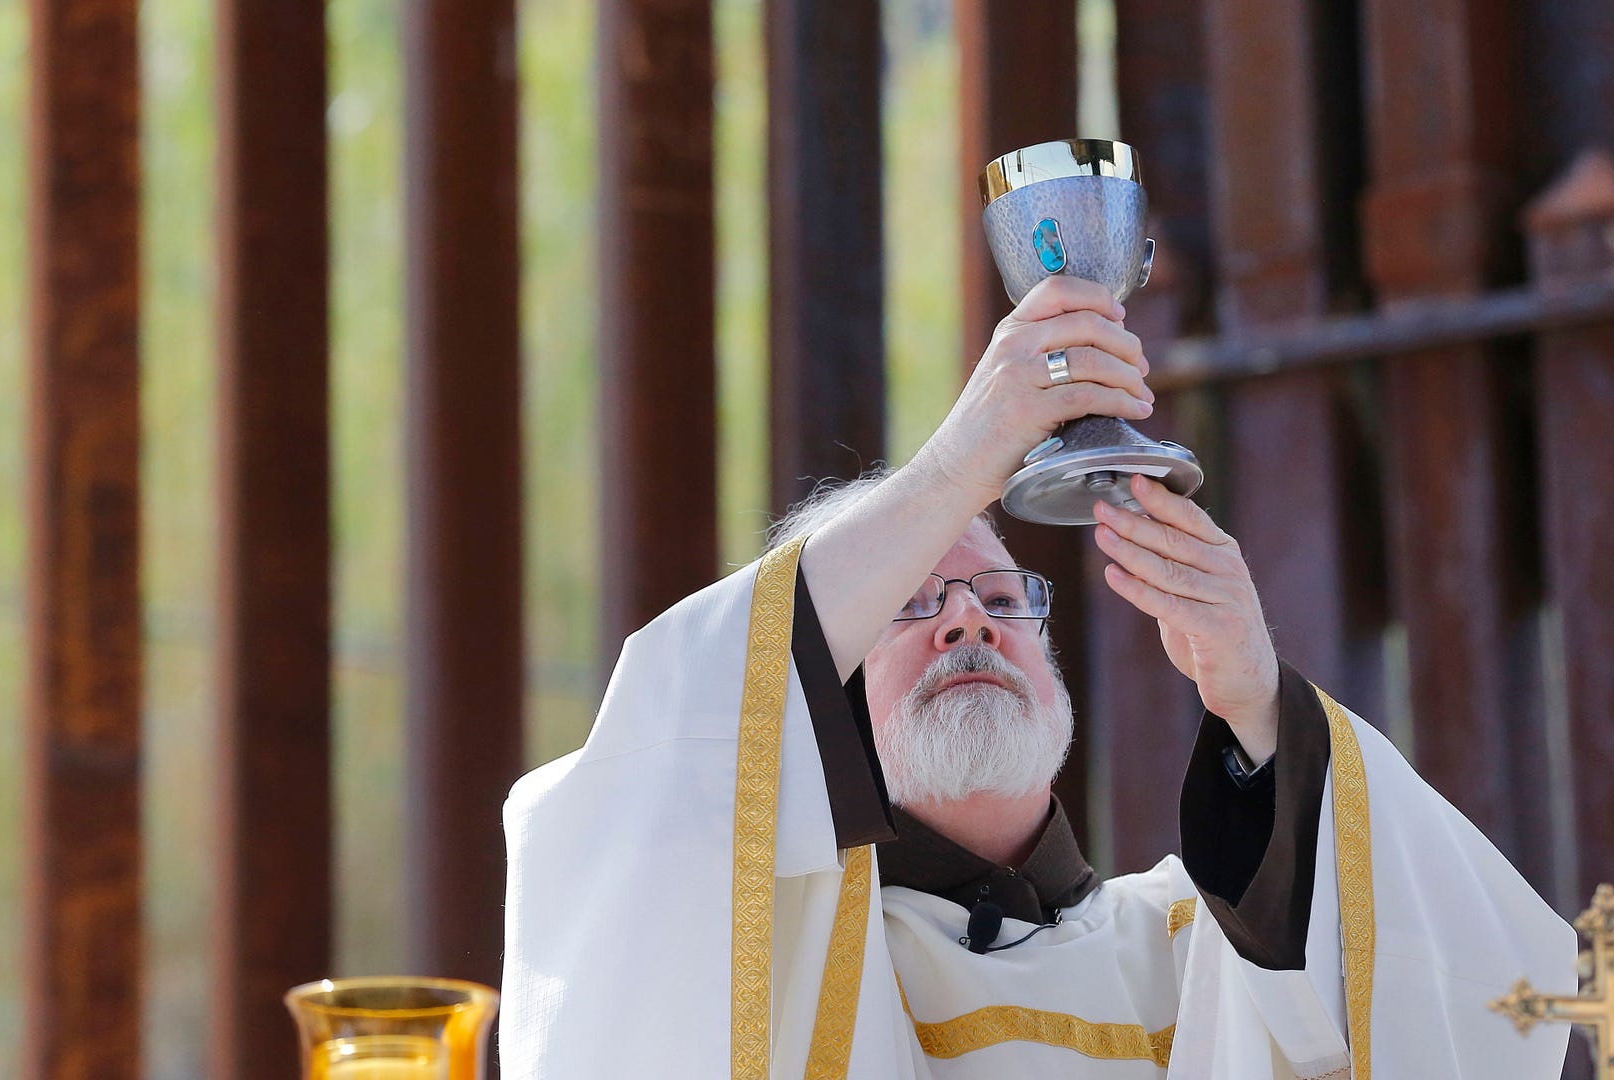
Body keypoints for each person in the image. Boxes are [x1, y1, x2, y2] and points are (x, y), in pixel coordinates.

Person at [500, 276, 1577, 1078]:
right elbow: (645, 787)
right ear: (812, 706)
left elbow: (1478, 991)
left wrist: (1256, 697)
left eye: (1000, 594)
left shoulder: (1215, 951)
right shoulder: (767, 953)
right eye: (912, 599)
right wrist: (962, 460)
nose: (968, 617)